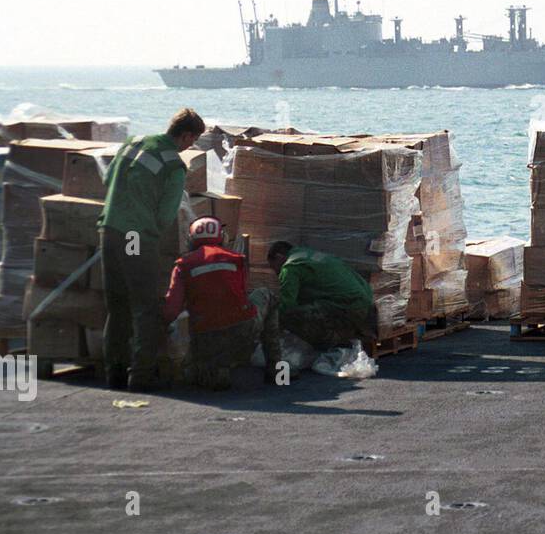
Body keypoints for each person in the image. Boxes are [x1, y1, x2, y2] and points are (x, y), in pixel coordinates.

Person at [99, 107, 206, 391]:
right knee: (145, 307)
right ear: (185, 135)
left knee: (117, 306)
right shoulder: (173, 165)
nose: (190, 147)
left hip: (108, 230)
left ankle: (115, 375)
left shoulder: (132, 143)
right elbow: (166, 213)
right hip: (136, 238)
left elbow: (107, 180)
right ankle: (140, 377)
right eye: (192, 141)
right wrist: (152, 235)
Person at [162, 216, 282, 390]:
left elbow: (171, 311)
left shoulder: (183, 265)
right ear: (222, 237)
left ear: (191, 240)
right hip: (243, 331)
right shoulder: (236, 258)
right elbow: (241, 295)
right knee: (267, 295)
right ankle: (277, 370)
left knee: (198, 378)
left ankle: (217, 369)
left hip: (206, 338)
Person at [265, 241, 376, 350]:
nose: (275, 272)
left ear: (279, 257)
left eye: (273, 266)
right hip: (365, 304)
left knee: (286, 316)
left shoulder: (290, 267)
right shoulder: (309, 255)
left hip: (347, 307)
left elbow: (287, 305)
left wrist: (267, 325)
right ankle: (350, 332)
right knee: (308, 307)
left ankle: (334, 343)